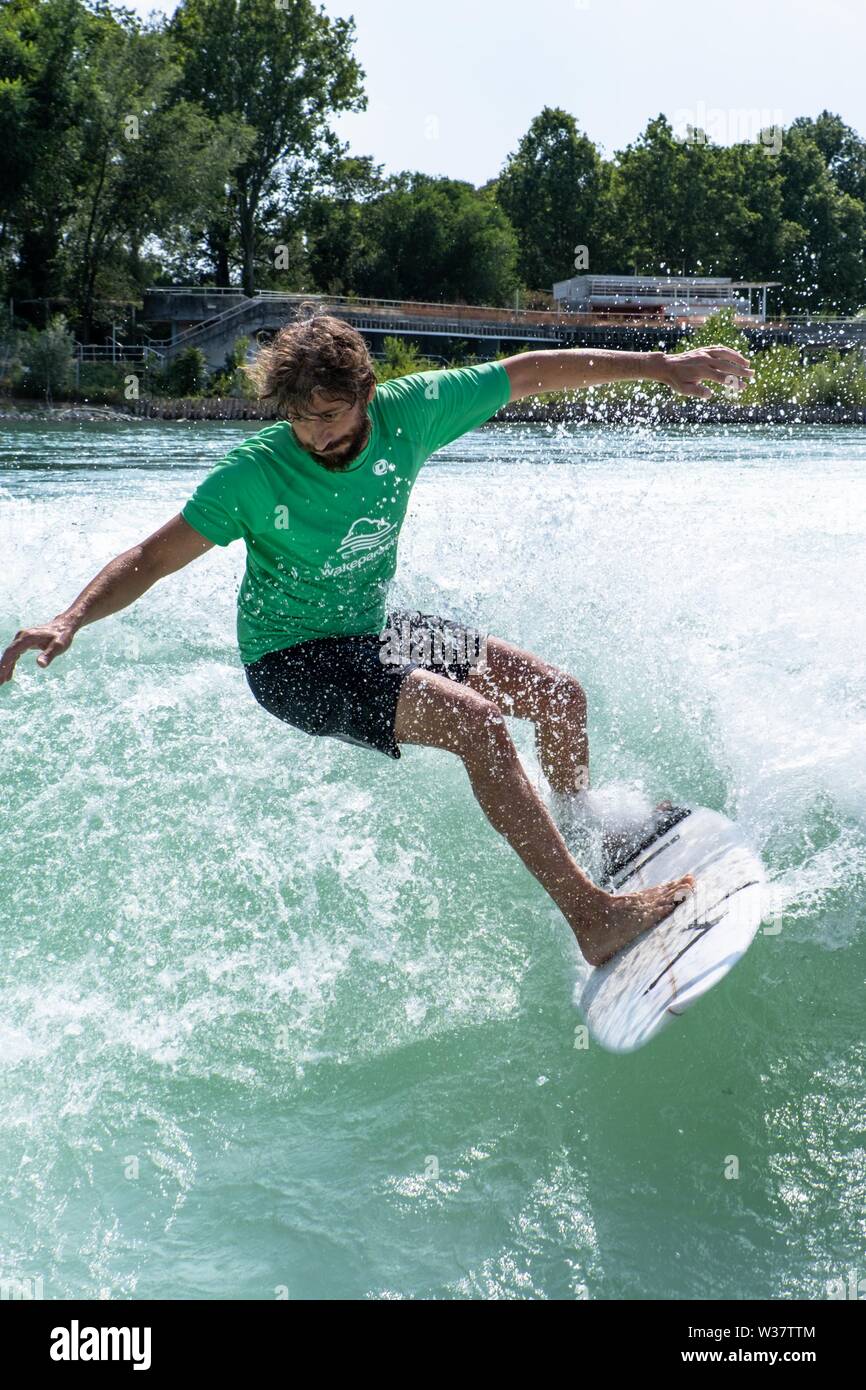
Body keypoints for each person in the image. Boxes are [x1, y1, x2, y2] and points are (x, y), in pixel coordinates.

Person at [0, 308, 753, 966]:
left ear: (366, 393)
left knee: (558, 696)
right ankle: (591, 916)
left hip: (368, 632)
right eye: (303, 420)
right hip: (291, 662)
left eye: (332, 416)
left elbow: (528, 374)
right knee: (479, 725)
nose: (318, 436)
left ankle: (593, 835)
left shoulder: (411, 411)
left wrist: (661, 365)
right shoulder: (254, 475)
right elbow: (149, 558)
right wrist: (71, 616)